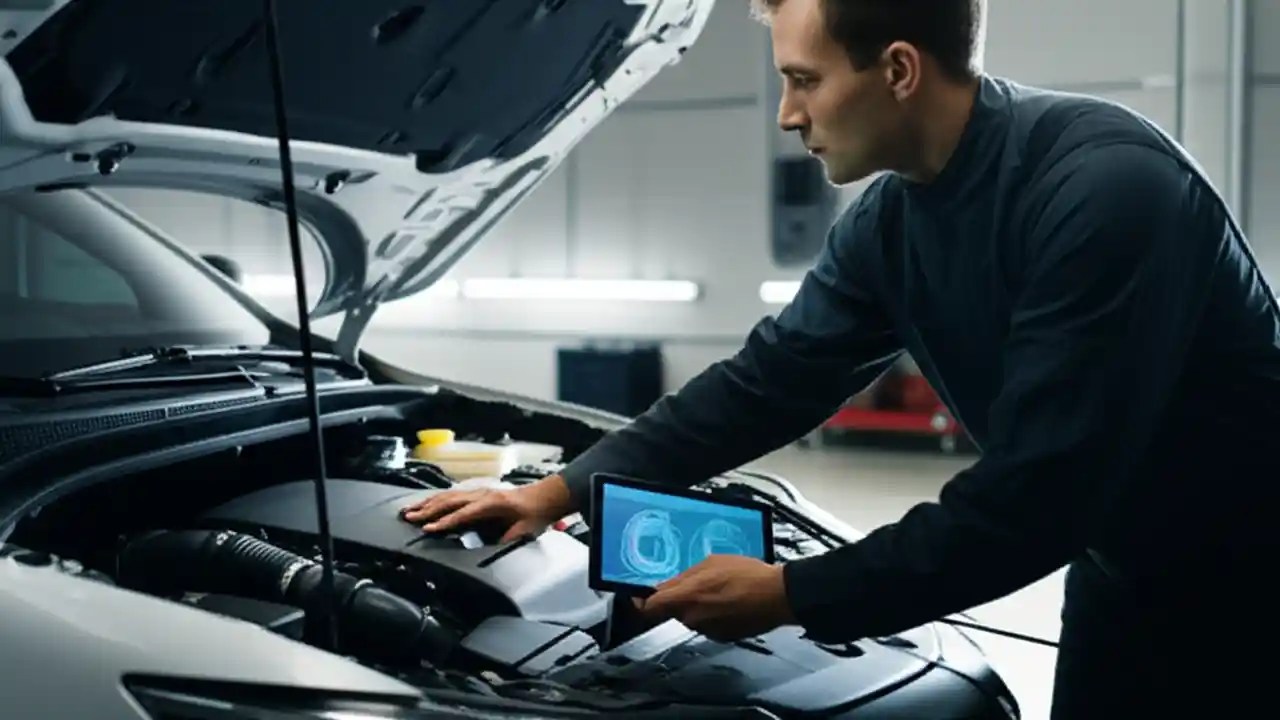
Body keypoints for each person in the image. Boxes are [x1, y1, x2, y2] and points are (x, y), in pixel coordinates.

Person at [404, 0, 1280, 716]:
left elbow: (1036, 500)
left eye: (804, 80)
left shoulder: (1107, 190)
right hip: (1121, 575)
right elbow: (769, 380)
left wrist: (794, 593)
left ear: (897, 70)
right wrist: (557, 490)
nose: (788, 114)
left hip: (1252, 587)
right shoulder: (890, 219)